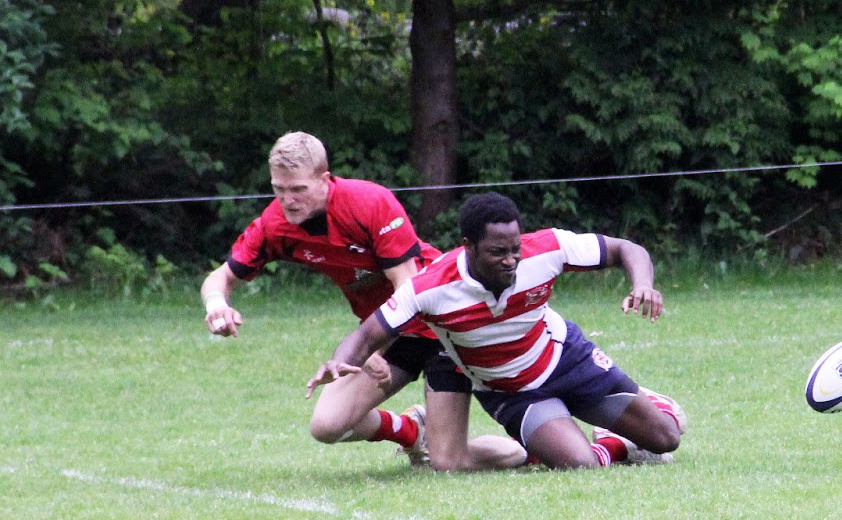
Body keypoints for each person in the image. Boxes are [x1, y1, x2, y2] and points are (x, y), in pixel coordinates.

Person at [200, 132, 524, 469]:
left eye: (298, 189)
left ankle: (532, 448)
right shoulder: (275, 224)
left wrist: (374, 347)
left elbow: (409, 291)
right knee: (326, 426)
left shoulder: (368, 202)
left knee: (447, 462)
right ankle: (411, 431)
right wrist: (216, 305)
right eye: (279, 189)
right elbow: (220, 277)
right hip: (386, 332)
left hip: (439, 324)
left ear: (324, 180)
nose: (288, 200)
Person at [306, 192, 685, 472]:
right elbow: (368, 335)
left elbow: (625, 249)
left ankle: (644, 409)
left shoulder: (545, 249)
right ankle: (612, 444)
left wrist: (643, 284)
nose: (511, 260)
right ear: (468, 246)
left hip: (567, 360)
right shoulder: (431, 287)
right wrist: (339, 362)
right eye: (497, 252)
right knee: (580, 466)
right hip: (510, 391)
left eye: (514, 249)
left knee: (667, 438)